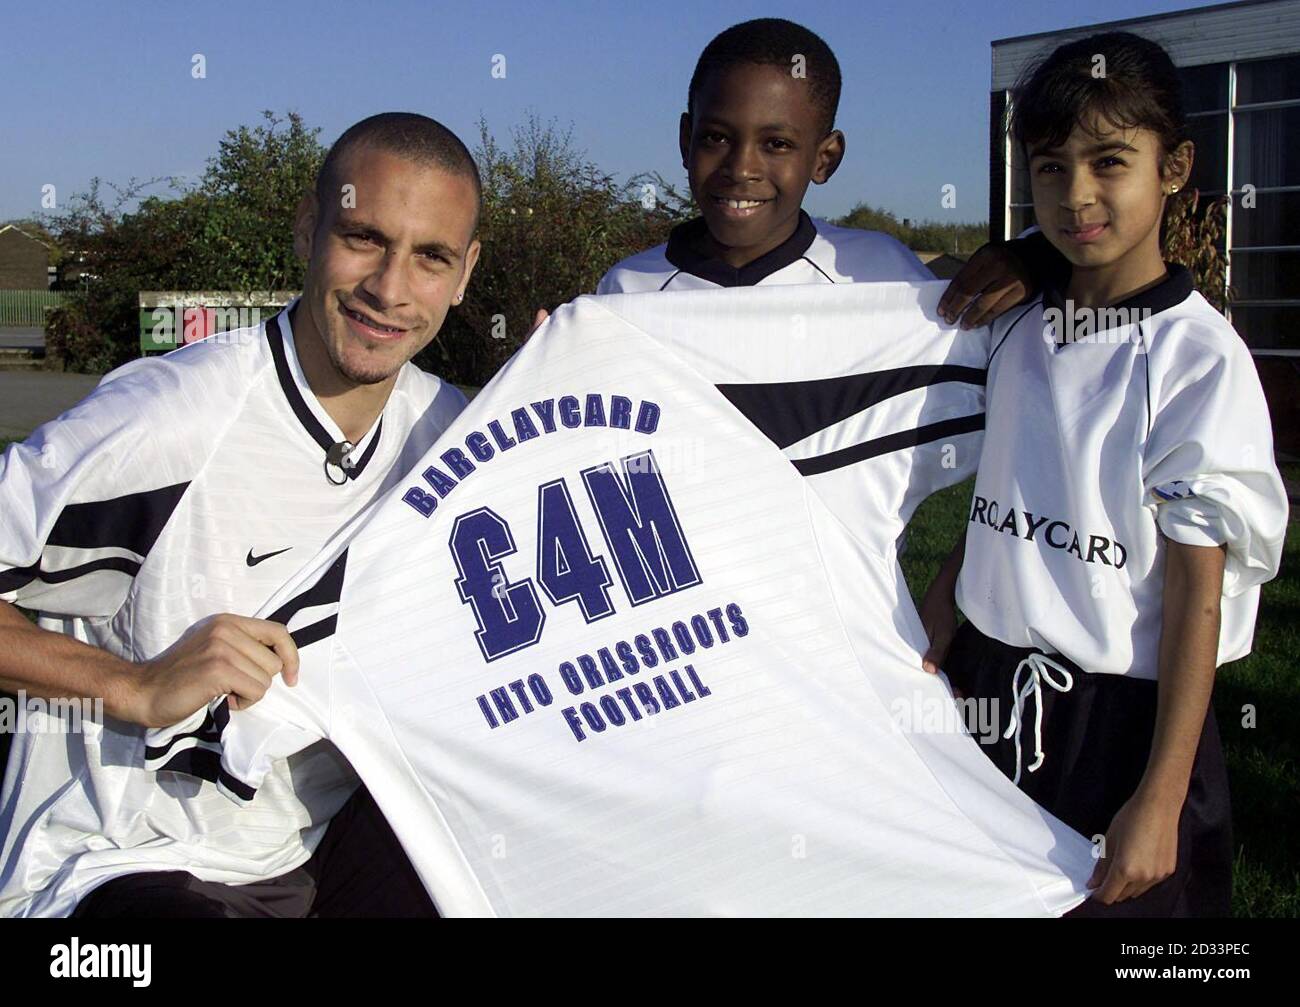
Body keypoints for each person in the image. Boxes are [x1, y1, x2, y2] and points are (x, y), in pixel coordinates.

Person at [0, 112, 481, 917]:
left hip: (318, 849)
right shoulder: (171, 417)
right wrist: (133, 684)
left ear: (465, 273)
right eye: (363, 237)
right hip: (117, 864)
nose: (390, 289)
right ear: (307, 228)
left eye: (430, 257)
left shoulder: (456, 438)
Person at [917, 32, 1288, 916]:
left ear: (1175, 167)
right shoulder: (1011, 322)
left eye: (1109, 162)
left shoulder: (1198, 357)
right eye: (1050, 168)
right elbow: (999, 503)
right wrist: (931, 636)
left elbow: (1200, 588)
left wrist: (1158, 799)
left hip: (1124, 724)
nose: (1076, 194)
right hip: (985, 684)